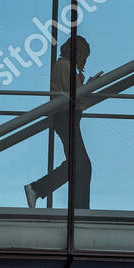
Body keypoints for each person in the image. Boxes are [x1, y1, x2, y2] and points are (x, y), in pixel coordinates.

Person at [24, 34, 94, 210]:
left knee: (80, 164)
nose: (84, 59)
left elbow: (75, 95)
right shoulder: (65, 66)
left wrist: (86, 83)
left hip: (67, 118)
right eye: (82, 54)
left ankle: (40, 189)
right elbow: (77, 98)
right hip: (66, 117)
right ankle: (37, 188)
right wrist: (90, 86)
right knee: (82, 164)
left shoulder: (66, 67)